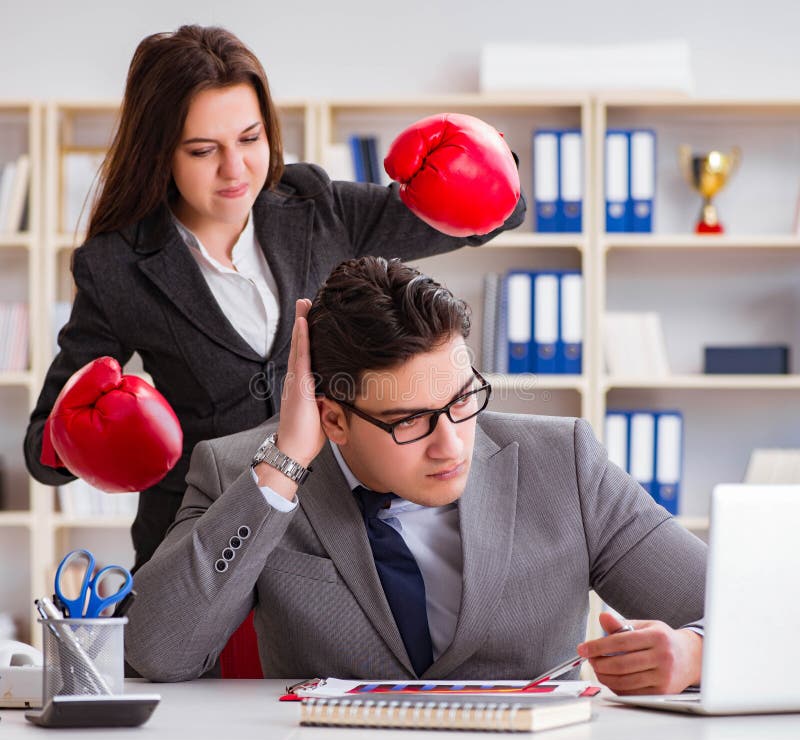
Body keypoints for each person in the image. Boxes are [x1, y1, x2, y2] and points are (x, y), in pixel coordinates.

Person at [23, 25, 526, 571]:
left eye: (249, 138)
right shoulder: (116, 266)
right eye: (202, 150)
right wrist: (83, 440)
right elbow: (42, 450)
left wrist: (481, 161)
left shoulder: (316, 207)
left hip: (329, 537)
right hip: (202, 541)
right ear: (160, 153)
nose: (234, 169)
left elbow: (487, 220)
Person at [125, 256, 707, 694]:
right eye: (410, 421)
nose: (450, 443)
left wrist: (694, 654)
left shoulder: (565, 465)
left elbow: (758, 610)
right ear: (334, 418)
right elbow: (157, 652)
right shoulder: (243, 474)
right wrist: (287, 465)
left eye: (461, 400)